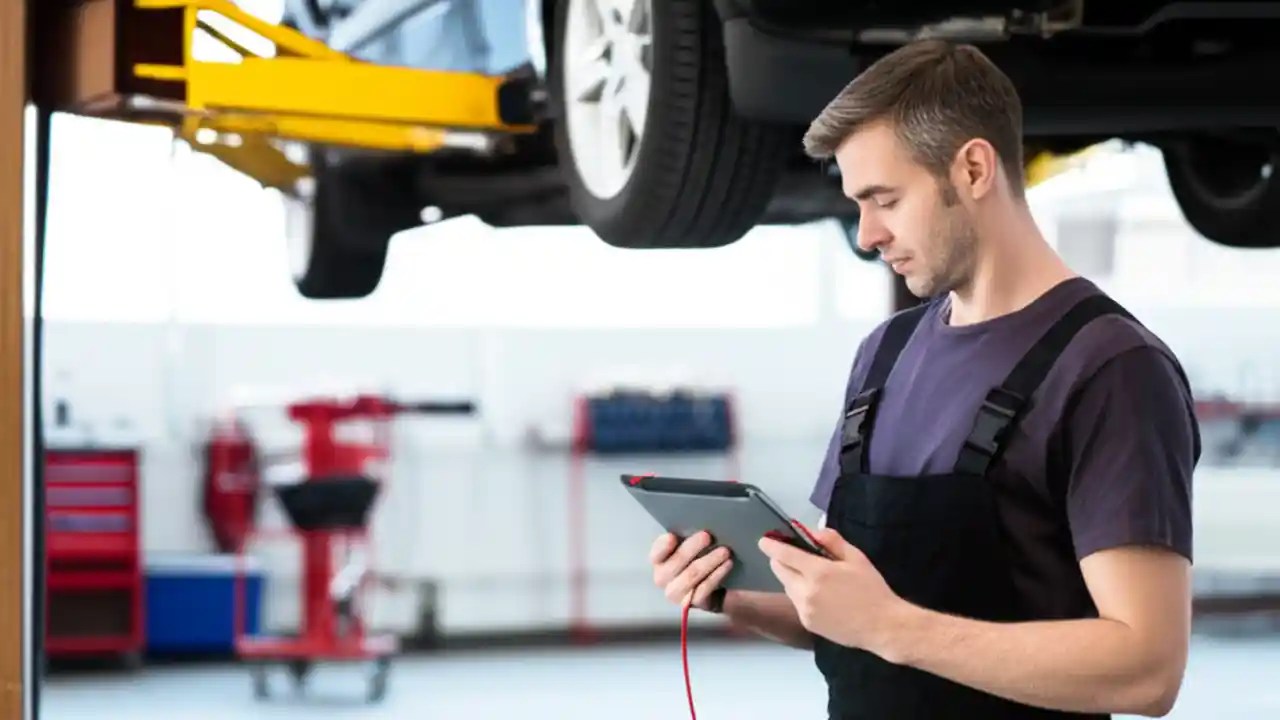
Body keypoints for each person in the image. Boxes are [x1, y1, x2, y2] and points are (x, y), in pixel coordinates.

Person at [647, 39, 1198, 720]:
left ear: (972, 168)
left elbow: (1146, 670)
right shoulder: (884, 354)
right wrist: (732, 592)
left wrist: (891, 627)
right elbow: (840, 613)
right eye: (856, 204)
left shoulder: (1110, 369)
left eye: (884, 199)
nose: (865, 234)